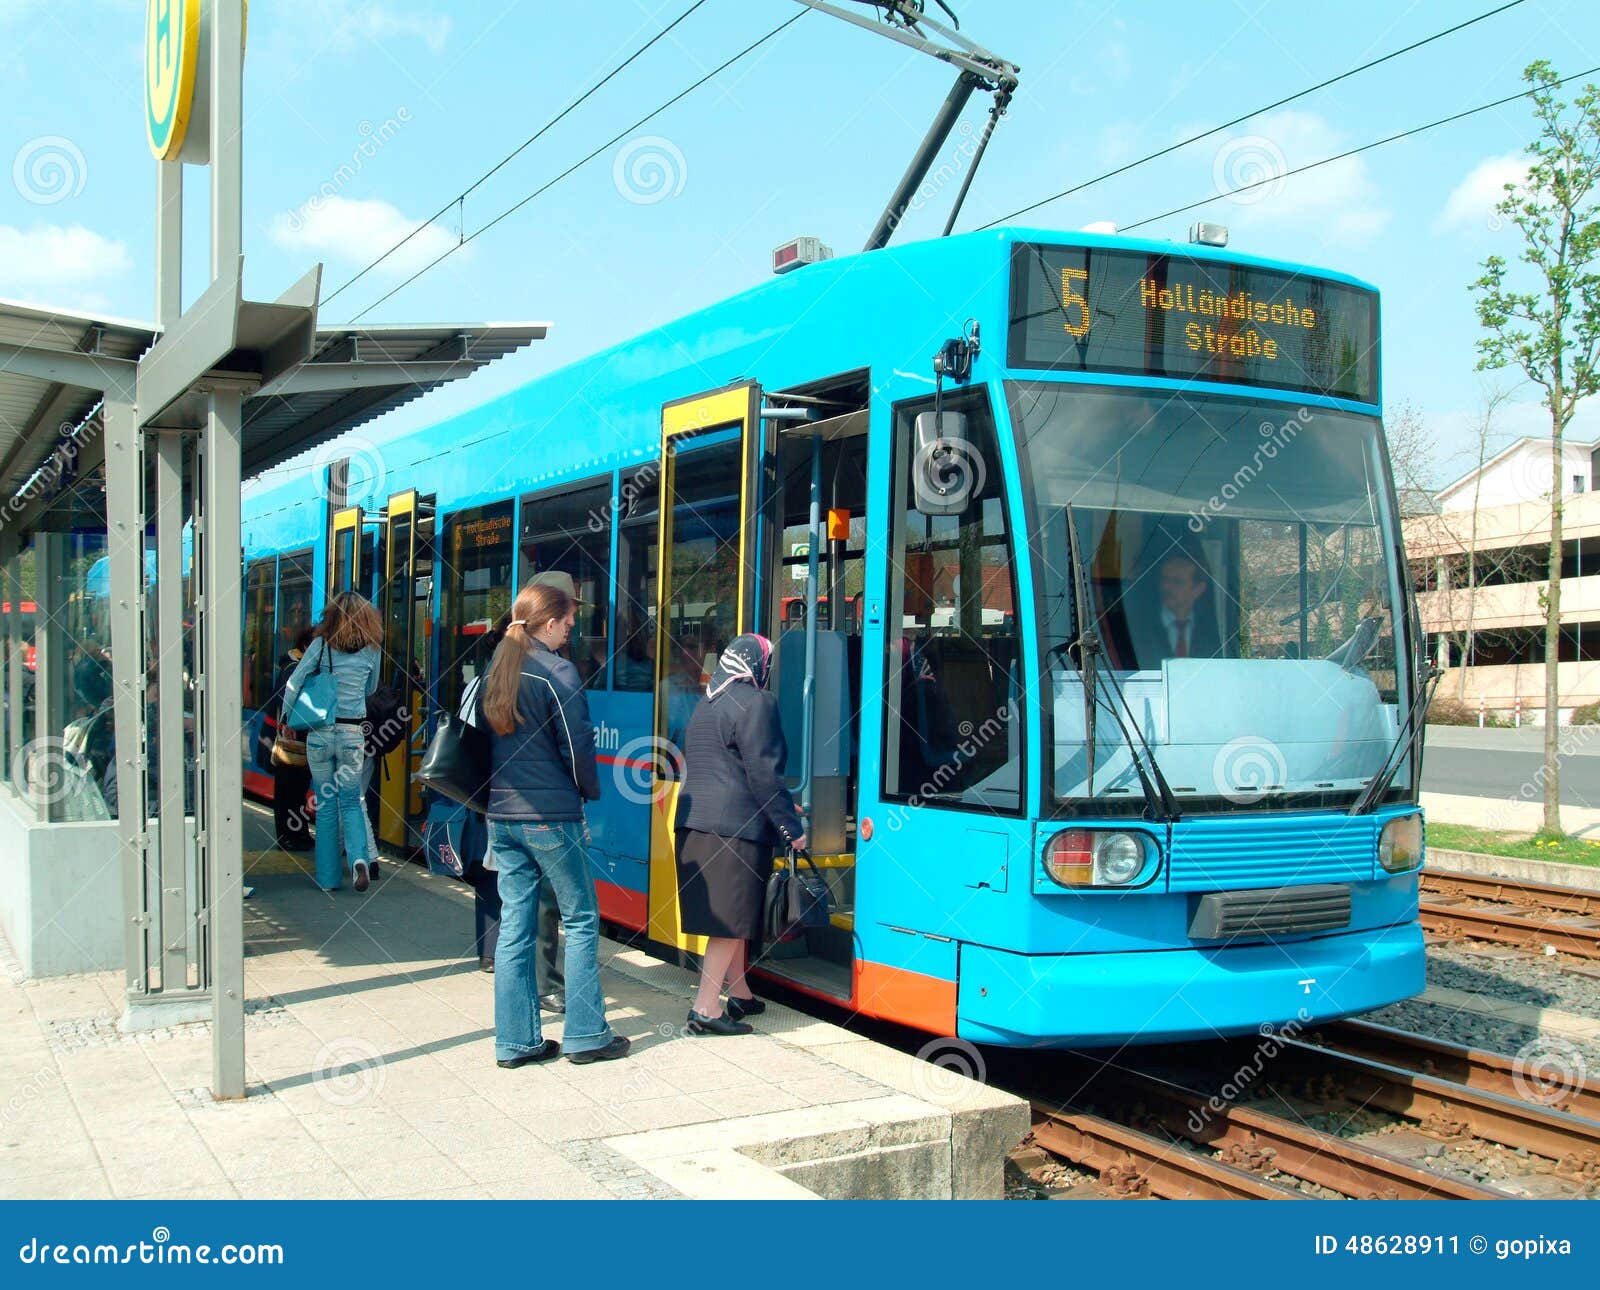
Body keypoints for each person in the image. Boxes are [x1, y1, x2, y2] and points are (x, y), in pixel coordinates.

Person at [482, 580, 627, 1067]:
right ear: (548, 623)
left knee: (515, 926)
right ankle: (586, 1035)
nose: (570, 630)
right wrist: (587, 794)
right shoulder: (557, 671)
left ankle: (516, 1041)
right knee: (581, 919)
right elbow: (577, 746)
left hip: (502, 817)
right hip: (550, 817)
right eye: (567, 622)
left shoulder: (500, 666)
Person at [677, 633, 806, 1036]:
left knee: (734, 915)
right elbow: (764, 773)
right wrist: (791, 828)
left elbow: (729, 768)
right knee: (729, 921)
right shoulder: (757, 702)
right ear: (758, 664)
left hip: (697, 826)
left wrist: (782, 808)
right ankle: (705, 1008)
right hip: (734, 832)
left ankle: (740, 993)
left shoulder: (707, 703)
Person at [461, 612, 565, 1011]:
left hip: (495, 804)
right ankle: (544, 985)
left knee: (507, 889)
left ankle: (505, 979)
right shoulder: (545, 681)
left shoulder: (482, 684)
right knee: (546, 900)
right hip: (533, 808)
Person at [283, 592, 382, 892]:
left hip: (320, 733)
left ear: (332, 616)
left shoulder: (321, 645)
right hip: (353, 734)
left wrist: (287, 717)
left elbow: (294, 682)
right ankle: (359, 860)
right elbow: (371, 688)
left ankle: (327, 879)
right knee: (351, 802)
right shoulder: (372, 649)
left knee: (326, 805)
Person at [1129, 550, 1221, 668]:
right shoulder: (1138, 627)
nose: (1166, 586)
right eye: (1164, 579)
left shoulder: (1212, 632)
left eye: (1177, 581)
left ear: (1198, 589)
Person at [270, 628, 315, 851]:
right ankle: (288, 836)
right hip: (292, 737)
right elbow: (283, 699)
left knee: (297, 790)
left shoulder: (296, 666)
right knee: (289, 790)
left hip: (300, 736)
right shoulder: (293, 668)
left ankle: (299, 834)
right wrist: (287, 722)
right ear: (306, 646)